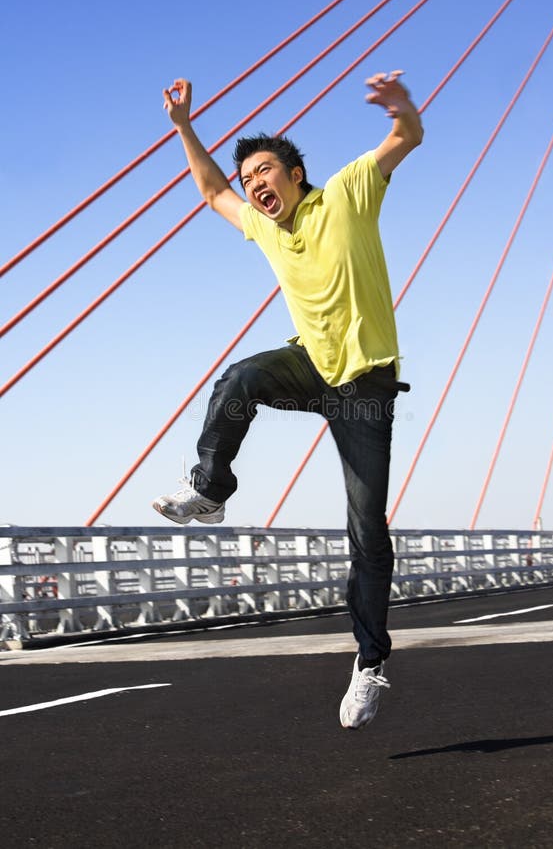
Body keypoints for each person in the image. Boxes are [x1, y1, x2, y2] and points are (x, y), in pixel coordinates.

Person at [153, 72, 423, 728]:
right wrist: (186, 127)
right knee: (239, 378)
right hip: (311, 367)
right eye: (251, 181)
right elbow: (212, 191)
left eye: (266, 172)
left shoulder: (350, 193)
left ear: (297, 174)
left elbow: (407, 137)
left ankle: (369, 665)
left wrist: (402, 107)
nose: (255, 187)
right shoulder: (268, 229)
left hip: (365, 387)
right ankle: (211, 490)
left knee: (366, 530)